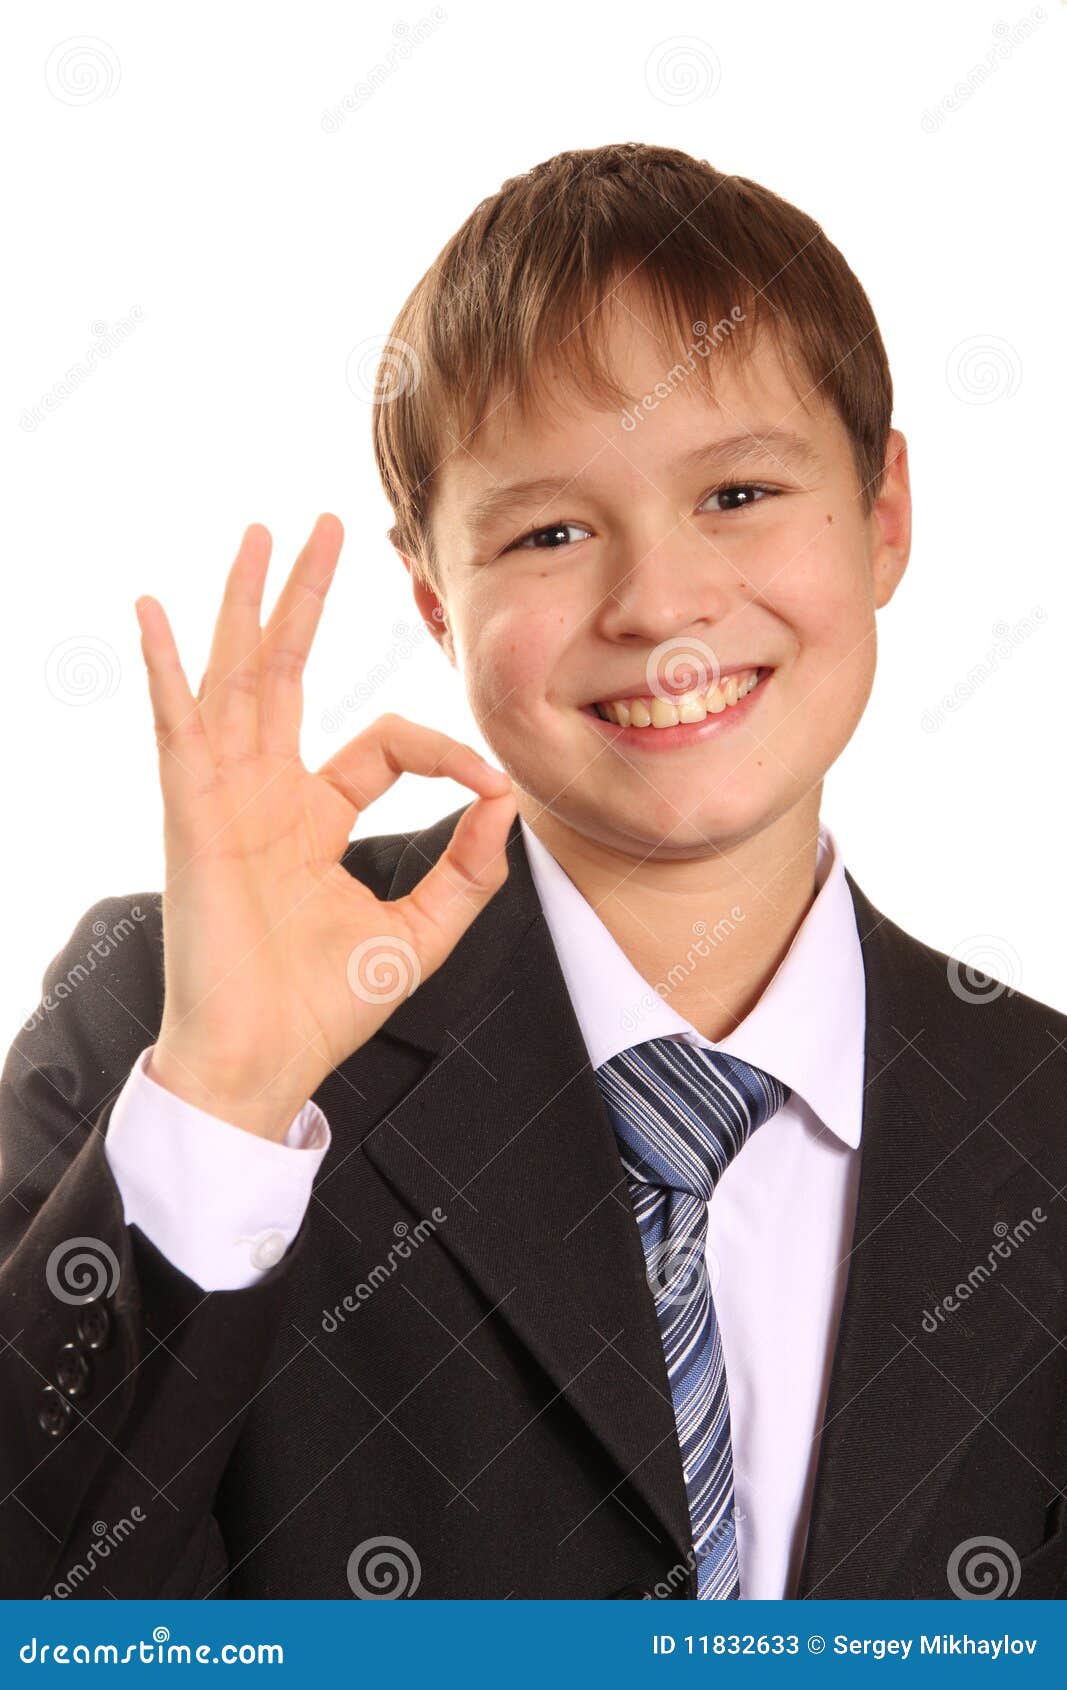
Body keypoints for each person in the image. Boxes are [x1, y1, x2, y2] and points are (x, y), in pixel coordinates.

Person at [2, 141, 1065, 1602]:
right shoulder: (164, 1021)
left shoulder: (1045, 1129)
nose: (660, 602)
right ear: (437, 597)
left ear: (884, 514)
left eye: (741, 492)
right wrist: (228, 1106)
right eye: (551, 531)